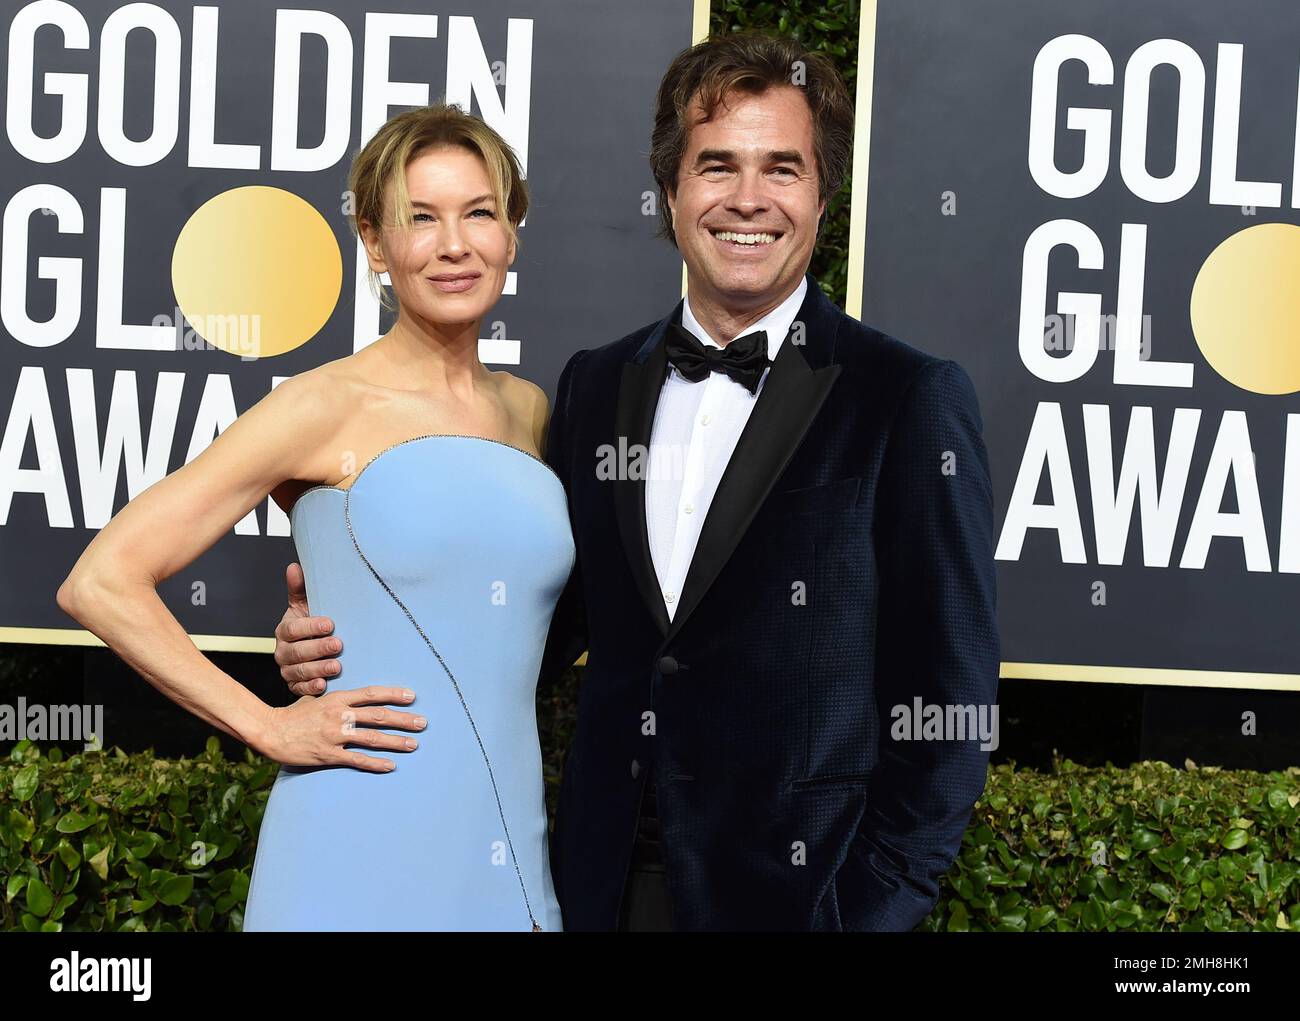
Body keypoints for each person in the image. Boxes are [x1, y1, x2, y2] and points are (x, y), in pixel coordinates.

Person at [276, 32, 1000, 932]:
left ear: (823, 194)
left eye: (782, 168)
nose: (747, 199)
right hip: (598, 885)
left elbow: (951, 703)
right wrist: (357, 631)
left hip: (797, 900)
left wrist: (866, 912)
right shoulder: (594, 386)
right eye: (715, 166)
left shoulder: (907, 398)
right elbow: (537, 616)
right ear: (670, 190)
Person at [57, 104, 569, 931]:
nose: (453, 245)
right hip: (356, 836)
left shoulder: (531, 412)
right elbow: (102, 582)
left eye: (479, 213)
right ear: (374, 243)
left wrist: (318, 620)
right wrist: (267, 724)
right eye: (418, 219)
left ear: (511, 233)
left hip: (508, 851)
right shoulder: (323, 405)